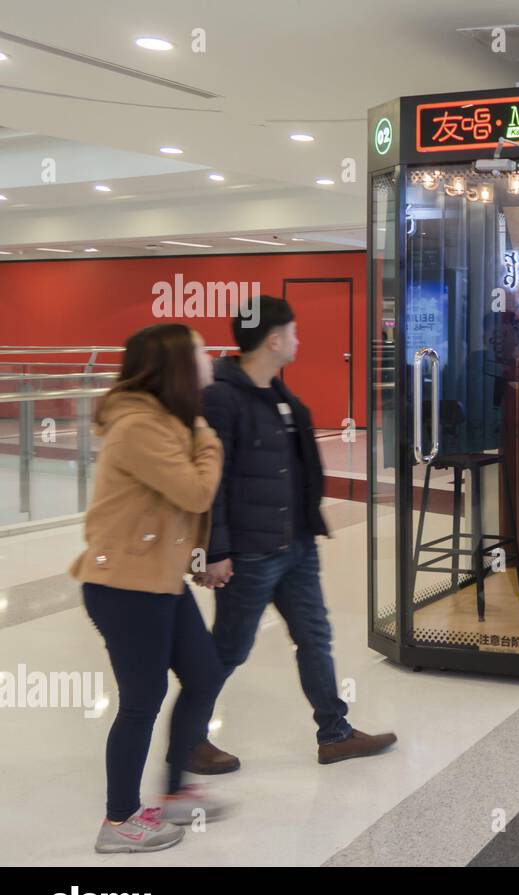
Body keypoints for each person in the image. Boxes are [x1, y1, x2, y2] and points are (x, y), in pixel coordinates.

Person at [191, 296, 396, 771]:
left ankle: (335, 732)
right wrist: (216, 549)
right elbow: (212, 481)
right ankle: (190, 737)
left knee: (315, 635)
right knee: (229, 648)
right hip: (249, 553)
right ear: (274, 339)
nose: (299, 340)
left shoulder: (278, 394)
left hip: (294, 546)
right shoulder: (221, 398)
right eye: (294, 332)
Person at [70, 324, 230, 853]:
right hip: (123, 586)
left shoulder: (166, 420)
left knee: (204, 671)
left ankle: (176, 791)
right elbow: (194, 490)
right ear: (177, 365)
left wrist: (196, 558)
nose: (210, 355)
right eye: (200, 350)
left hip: (155, 580)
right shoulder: (140, 425)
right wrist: (207, 438)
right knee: (143, 699)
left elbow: (170, 512)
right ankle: (118, 822)